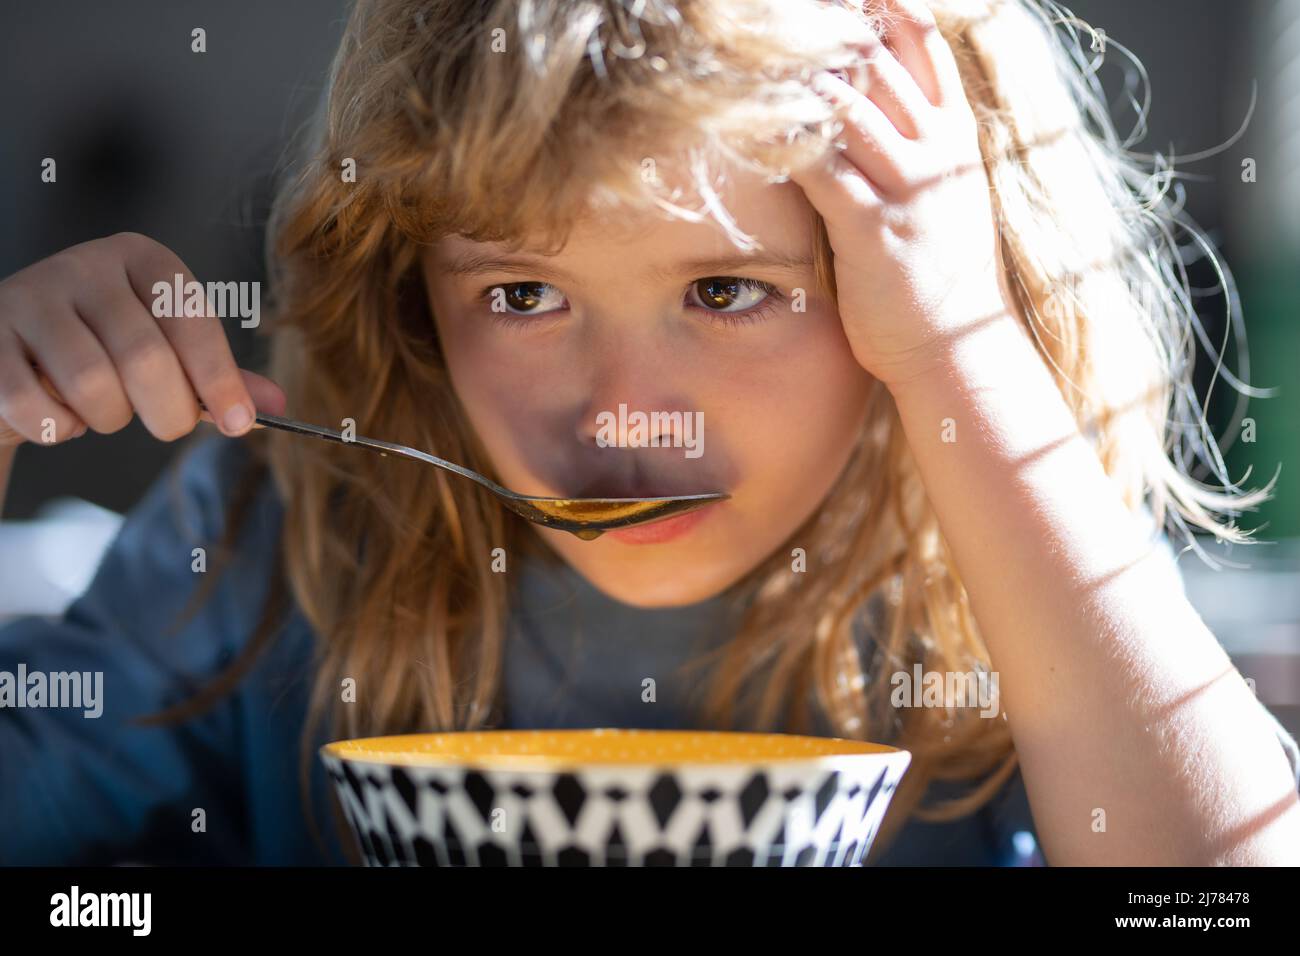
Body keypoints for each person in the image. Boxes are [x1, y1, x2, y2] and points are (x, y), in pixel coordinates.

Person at [1, 0, 1297, 866]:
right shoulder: (268, 538)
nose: (619, 410)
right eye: (521, 295)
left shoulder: (1005, 587)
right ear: (408, 302)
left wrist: (963, 358)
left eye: (728, 291)